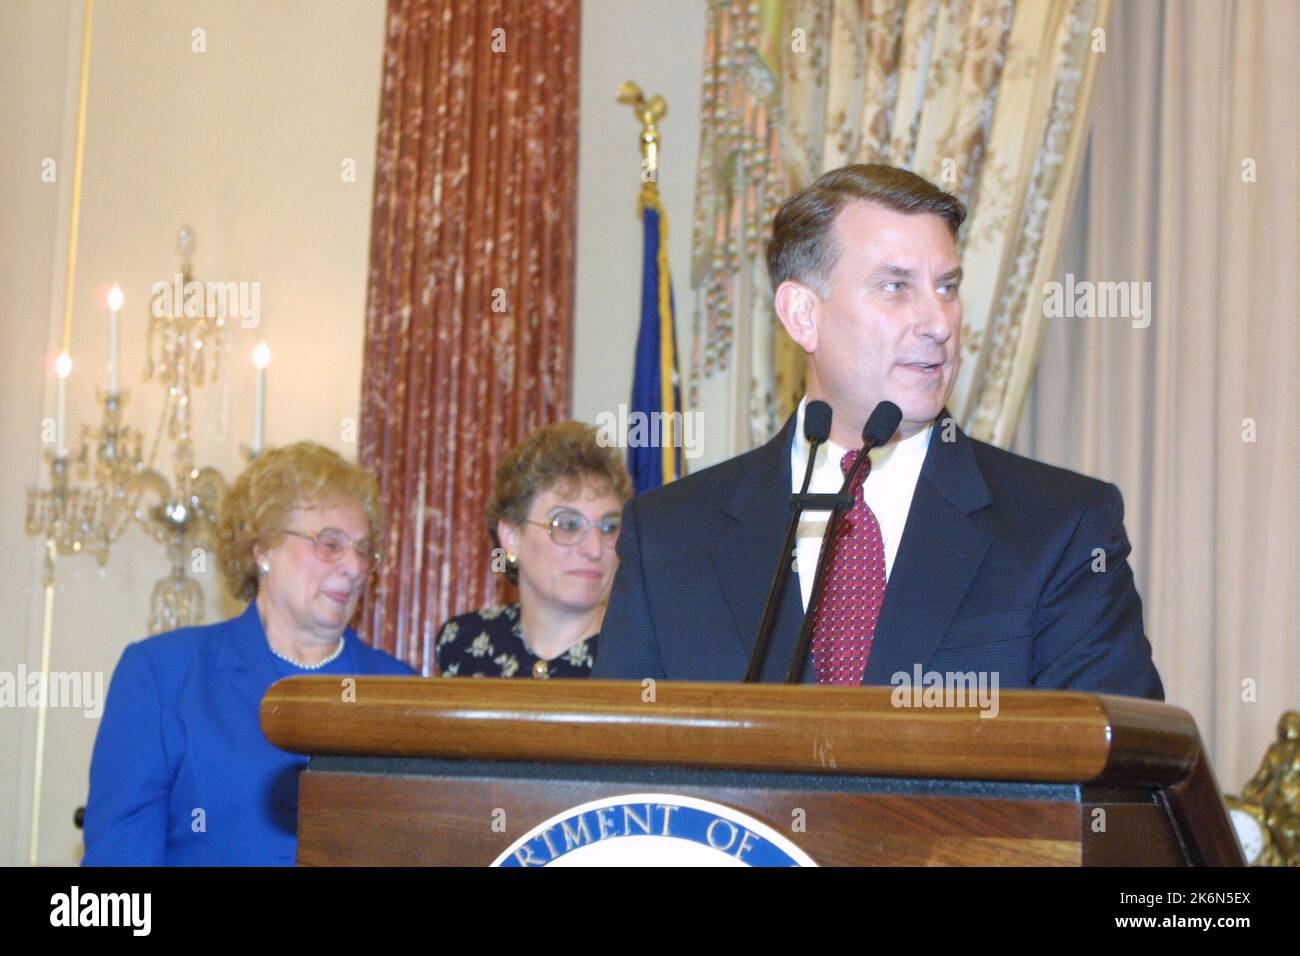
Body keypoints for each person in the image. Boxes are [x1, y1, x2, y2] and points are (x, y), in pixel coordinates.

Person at [593, 163, 1164, 699]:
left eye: (947, 287)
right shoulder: (668, 538)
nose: (939, 323)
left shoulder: (1062, 528)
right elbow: (619, 783)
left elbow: (1109, 782)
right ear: (801, 315)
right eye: (895, 287)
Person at [82, 442, 415, 866]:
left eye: (364, 549)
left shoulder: (399, 689)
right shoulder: (163, 675)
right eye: (331, 544)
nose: (355, 567)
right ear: (263, 549)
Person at [436, 421, 632, 679]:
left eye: (609, 527)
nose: (595, 549)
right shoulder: (464, 643)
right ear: (512, 537)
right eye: (568, 524)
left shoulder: (644, 656)